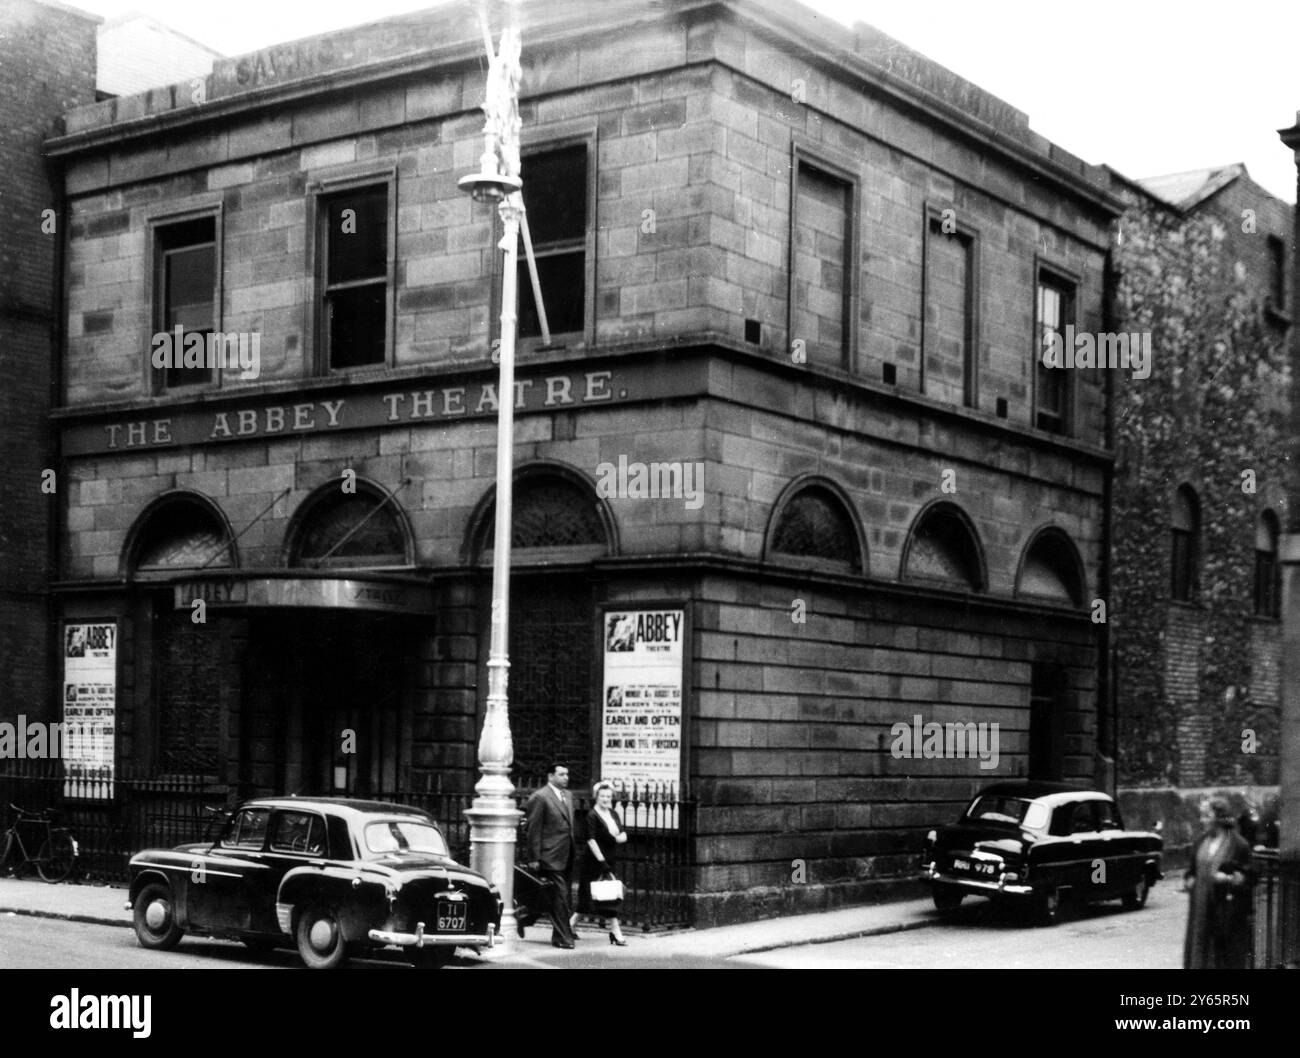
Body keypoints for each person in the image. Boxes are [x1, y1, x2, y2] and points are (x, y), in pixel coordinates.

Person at [1183, 797, 1256, 969]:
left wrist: (1230, 879)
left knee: (1223, 958)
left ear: (1219, 818)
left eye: (1206, 816)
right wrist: (1190, 879)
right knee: (1200, 953)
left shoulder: (1239, 845)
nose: (1202, 820)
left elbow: (1250, 877)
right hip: (1200, 910)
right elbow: (1192, 870)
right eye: (1202, 816)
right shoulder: (1201, 841)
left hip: (1225, 912)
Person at [520, 763, 577, 948]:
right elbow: (533, 829)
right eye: (561, 774)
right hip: (548, 855)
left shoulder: (568, 796)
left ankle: (522, 918)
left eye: (567, 774)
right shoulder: (540, 797)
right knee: (560, 896)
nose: (566, 777)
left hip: (565, 854)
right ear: (550, 776)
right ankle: (563, 938)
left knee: (553, 896)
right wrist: (534, 858)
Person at [579, 780, 630, 945]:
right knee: (603, 896)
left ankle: (570, 925)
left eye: (608, 796)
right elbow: (591, 840)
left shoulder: (613, 814)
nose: (606, 799)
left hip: (609, 858)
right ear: (596, 797)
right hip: (595, 860)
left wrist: (615, 838)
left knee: (600, 895)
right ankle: (616, 932)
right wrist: (602, 862)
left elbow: (624, 835)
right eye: (602, 796)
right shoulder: (592, 816)